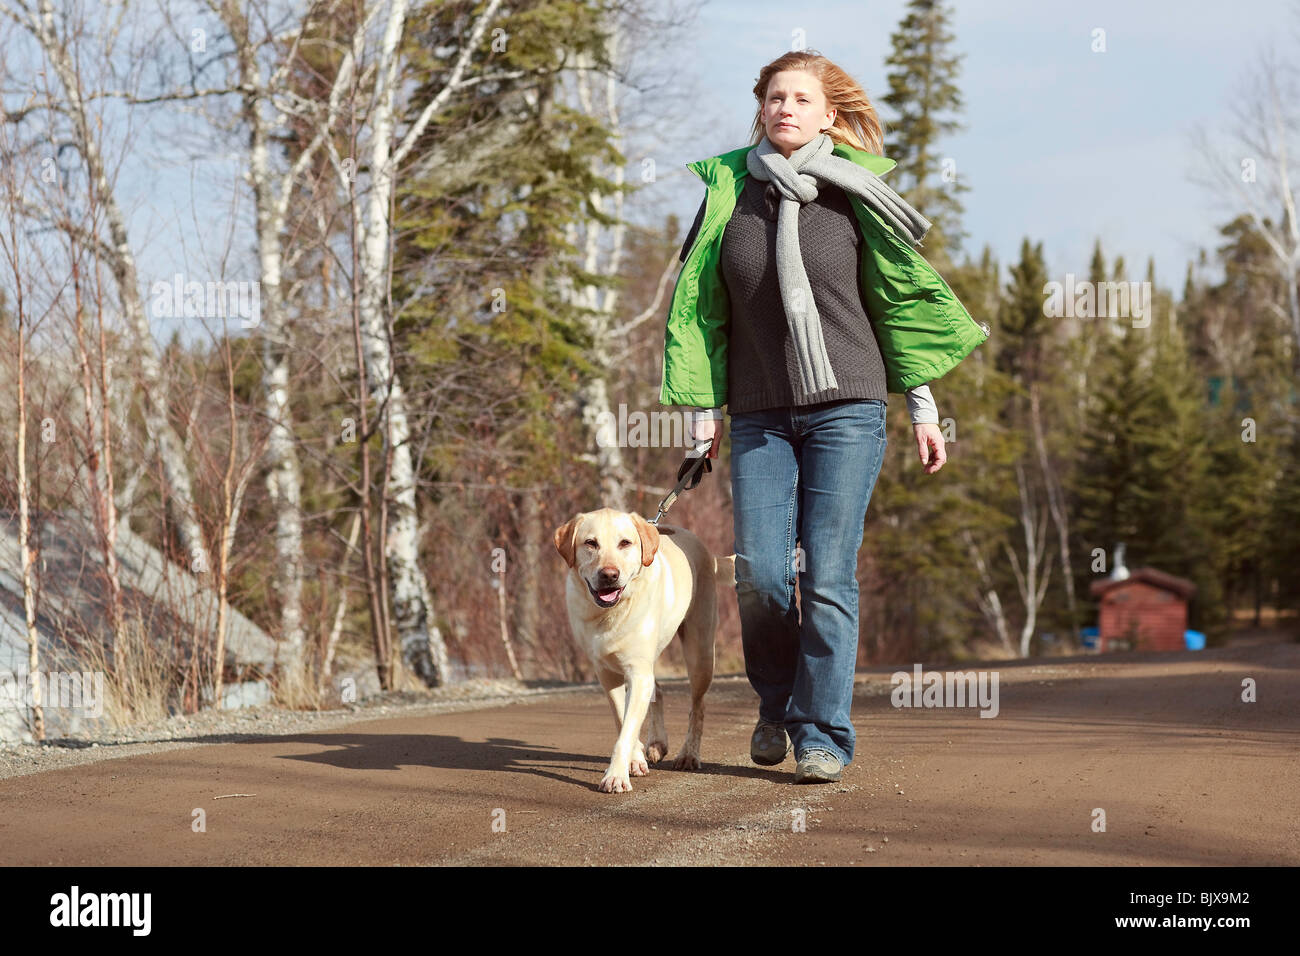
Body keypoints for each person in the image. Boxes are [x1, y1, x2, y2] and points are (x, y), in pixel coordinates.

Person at [659, 51, 988, 783]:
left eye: (800, 99)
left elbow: (896, 304)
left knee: (830, 575)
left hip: (849, 407)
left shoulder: (854, 195)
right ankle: (777, 704)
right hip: (761, 412)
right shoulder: (727, 197)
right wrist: (698, 415)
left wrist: (925, 410)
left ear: (828, 116)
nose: (784, 108)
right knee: (764, 577)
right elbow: (702, 316)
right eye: (774, 97)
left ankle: (823, 735)